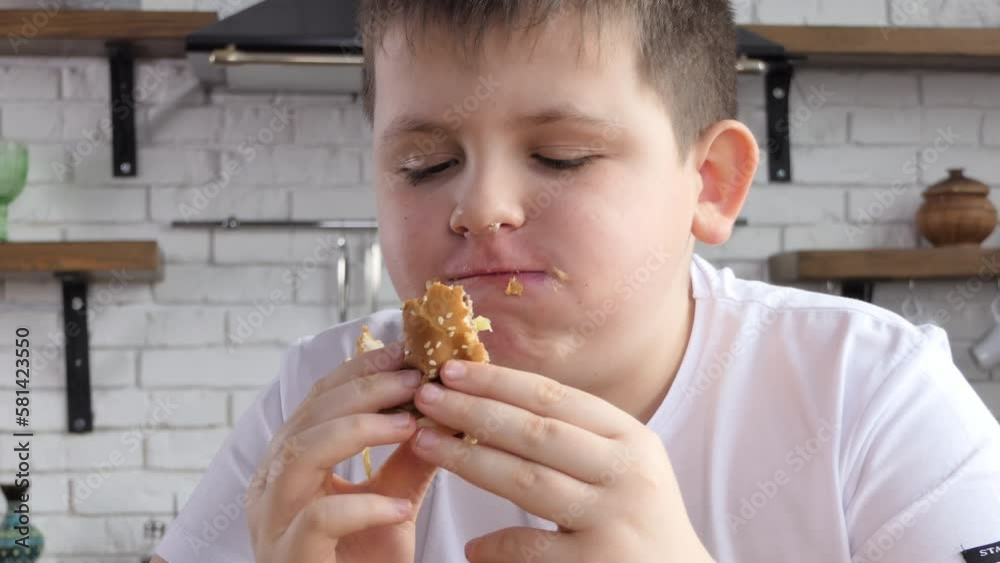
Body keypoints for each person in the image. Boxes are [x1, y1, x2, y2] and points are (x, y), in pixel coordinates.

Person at [152, 1, 1000, 562]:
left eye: (561, 155)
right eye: (424, 164)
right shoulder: (316, 399)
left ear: (709, 184)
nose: (479, 206)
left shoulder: (870, 389)